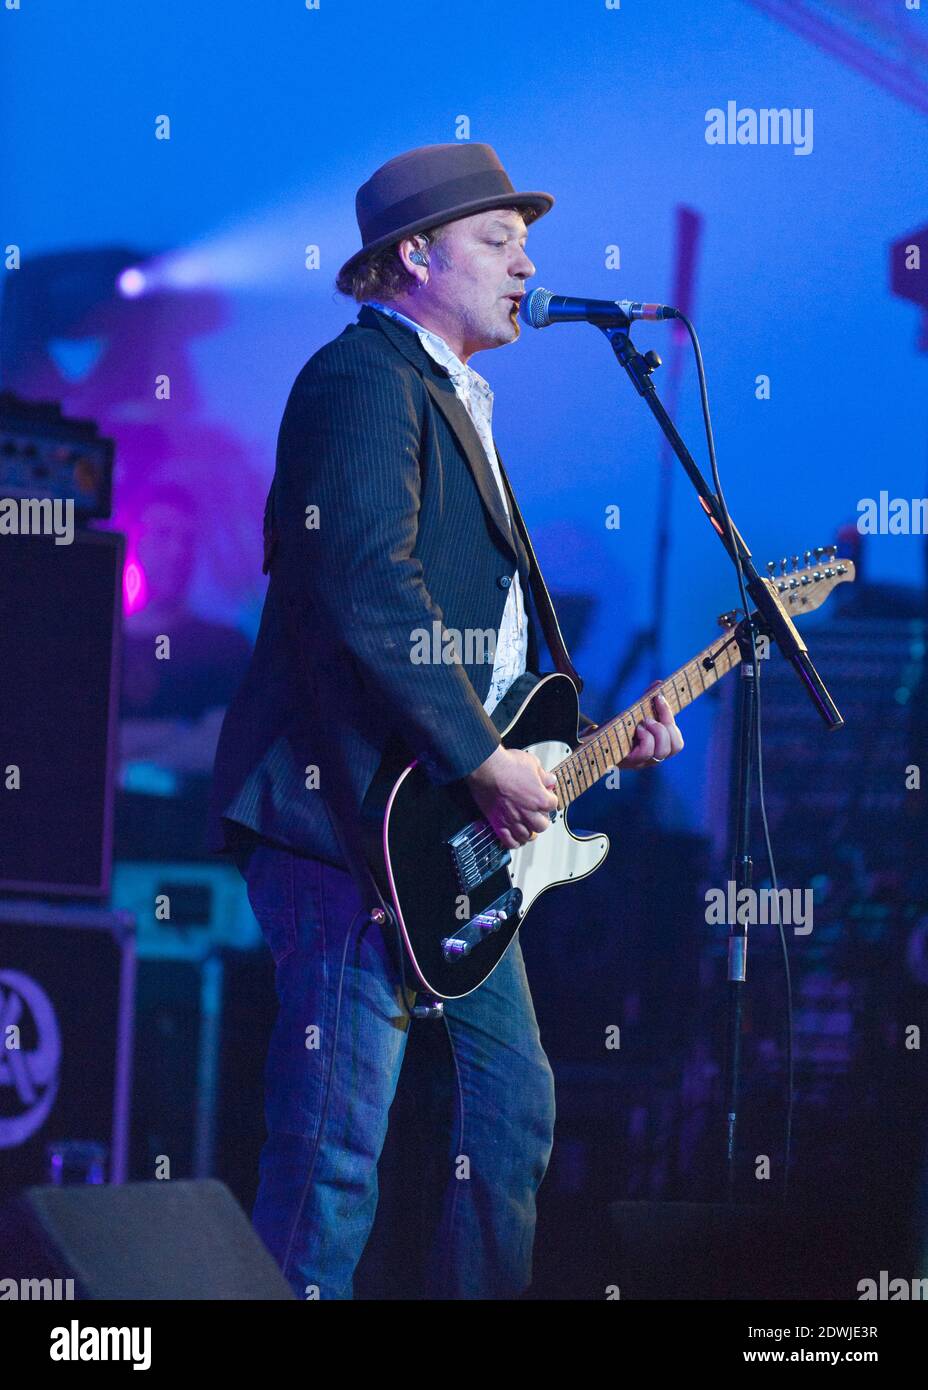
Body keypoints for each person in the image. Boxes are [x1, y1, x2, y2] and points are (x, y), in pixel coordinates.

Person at [207, 142, 683, 1299]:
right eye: (497, 239)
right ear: (412, 254)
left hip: (446, 844)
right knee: (333, 1148)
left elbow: (494, 644)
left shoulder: (452, 397)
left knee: (509, 1115)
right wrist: (478, 755)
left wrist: (591, 744)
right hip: (350, 827)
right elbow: (367, 582)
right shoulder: (365, 377)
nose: (529, 262)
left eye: (525, 241)